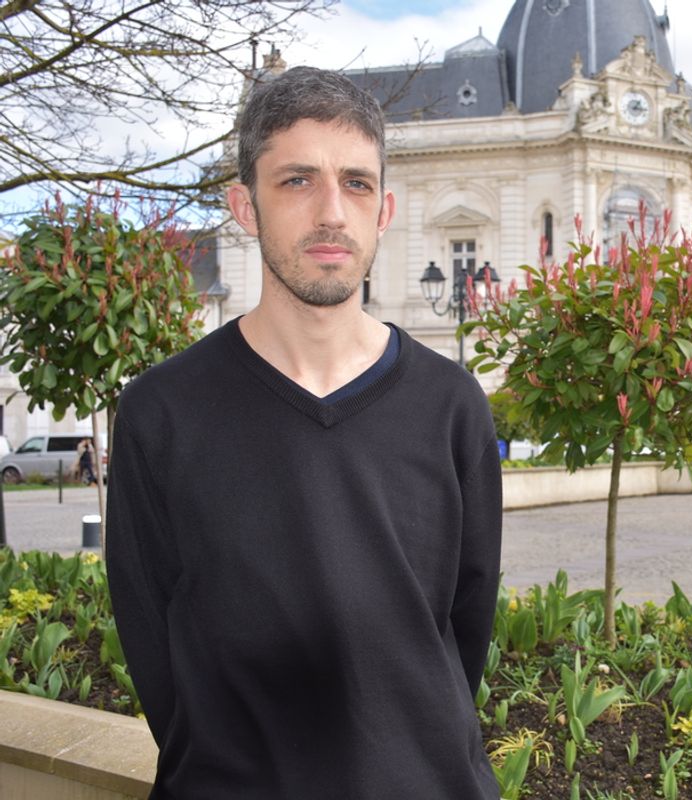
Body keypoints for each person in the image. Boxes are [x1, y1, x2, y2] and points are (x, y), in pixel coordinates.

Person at [107, 67, 503, 799]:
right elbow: (151, 641)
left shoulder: (453, 406)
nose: (331, 212)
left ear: (383, 211)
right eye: (296, 180)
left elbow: (462, 631)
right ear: (244, 206)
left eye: (355, 183)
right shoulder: (160, 413)